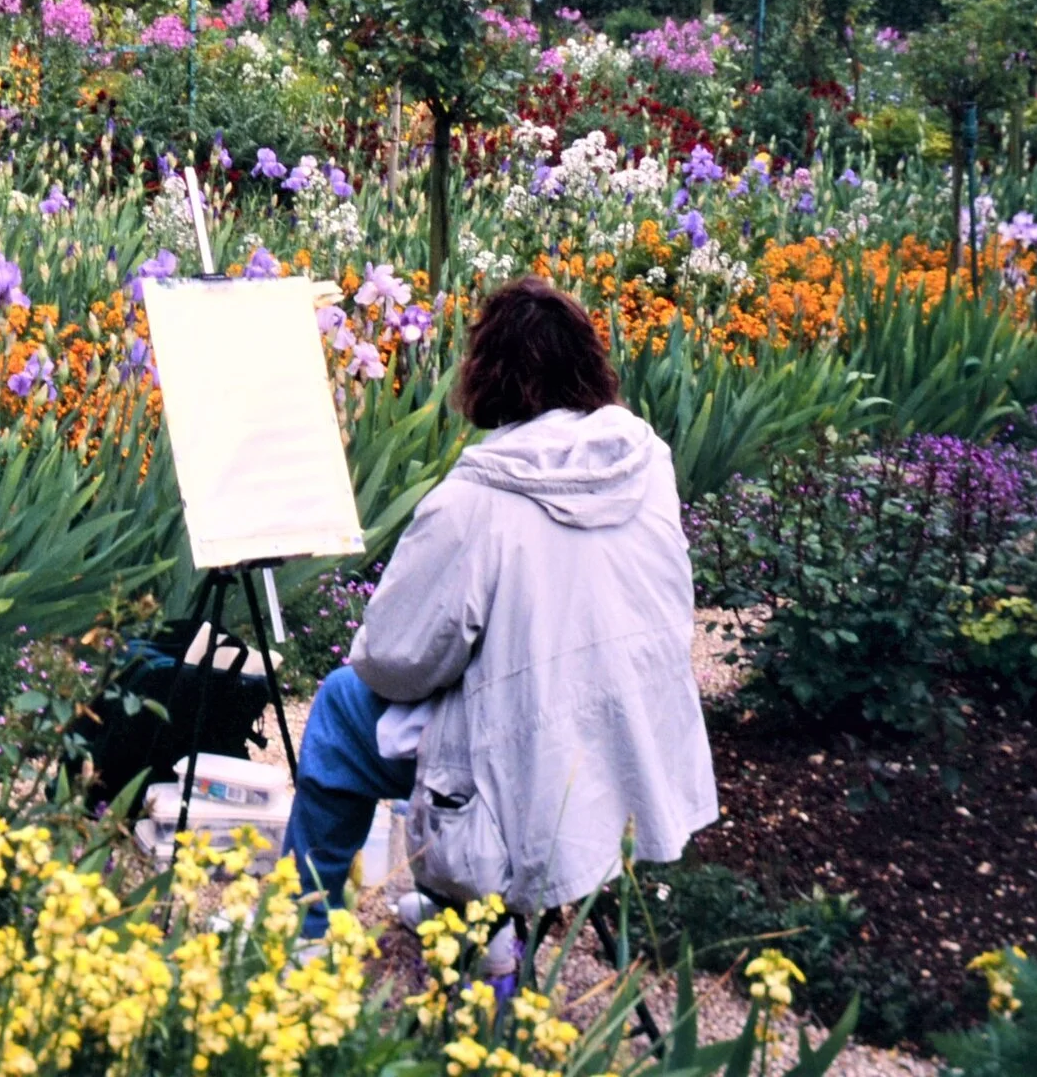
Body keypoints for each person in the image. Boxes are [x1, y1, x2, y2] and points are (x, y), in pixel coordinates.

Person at [281, 276, 717, 942]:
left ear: (488, 374)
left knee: (342, 705)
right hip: (631, 741)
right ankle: (453, 907)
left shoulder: (476, 498)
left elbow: (396, 660)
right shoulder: (645, 461)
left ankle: (307, 931)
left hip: (526, 768)